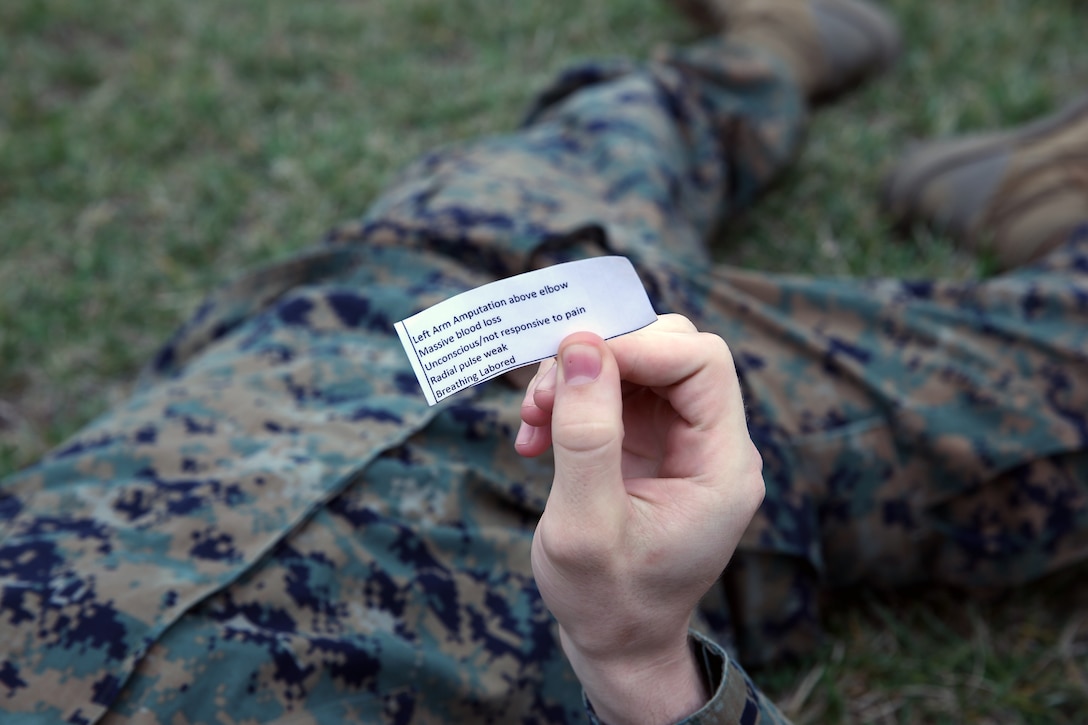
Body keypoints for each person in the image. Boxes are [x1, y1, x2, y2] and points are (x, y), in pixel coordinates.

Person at [2, 0, 1087, 722]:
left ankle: (767, 52)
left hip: (357, 322)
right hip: (629, 506)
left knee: (604, 133)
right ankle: (1041, 192)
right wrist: (634, 655)